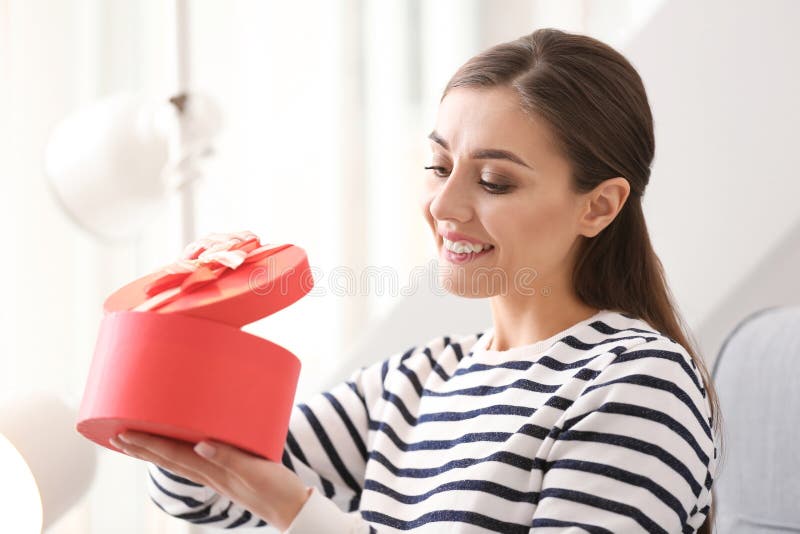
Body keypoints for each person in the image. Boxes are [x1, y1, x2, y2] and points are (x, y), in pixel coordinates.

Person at [110, 28, 720, 533]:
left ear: (599, 206)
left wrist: (296, 512)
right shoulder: (417, 380)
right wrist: (191, 324)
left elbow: (271, 498)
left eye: (494, 181)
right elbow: (204, 496)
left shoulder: (639, 385)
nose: (443, 205)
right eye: (439, 166)